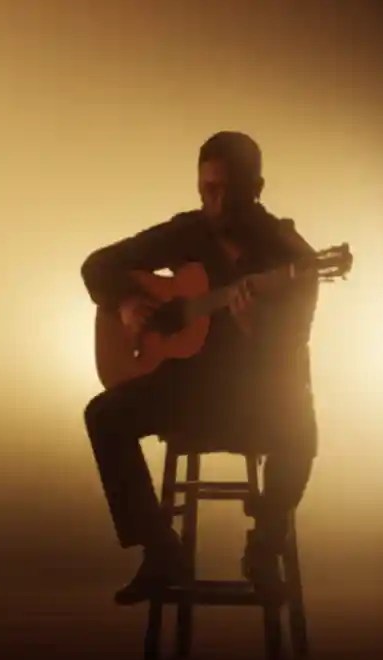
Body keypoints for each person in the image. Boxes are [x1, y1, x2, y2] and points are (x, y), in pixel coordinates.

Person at [81, 131, 319, 604]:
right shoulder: (188, 232)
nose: (219, 202)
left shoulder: (291, 254)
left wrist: (256, 327)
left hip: (255, 399)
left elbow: (294, 342)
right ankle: (159, 548)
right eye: (209, 190)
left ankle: (264, 546)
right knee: (103, 414)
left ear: (258, 187)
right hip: (185, 391)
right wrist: (128, 303)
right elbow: (97, 265)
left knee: (300, 428)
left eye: (231, 191)